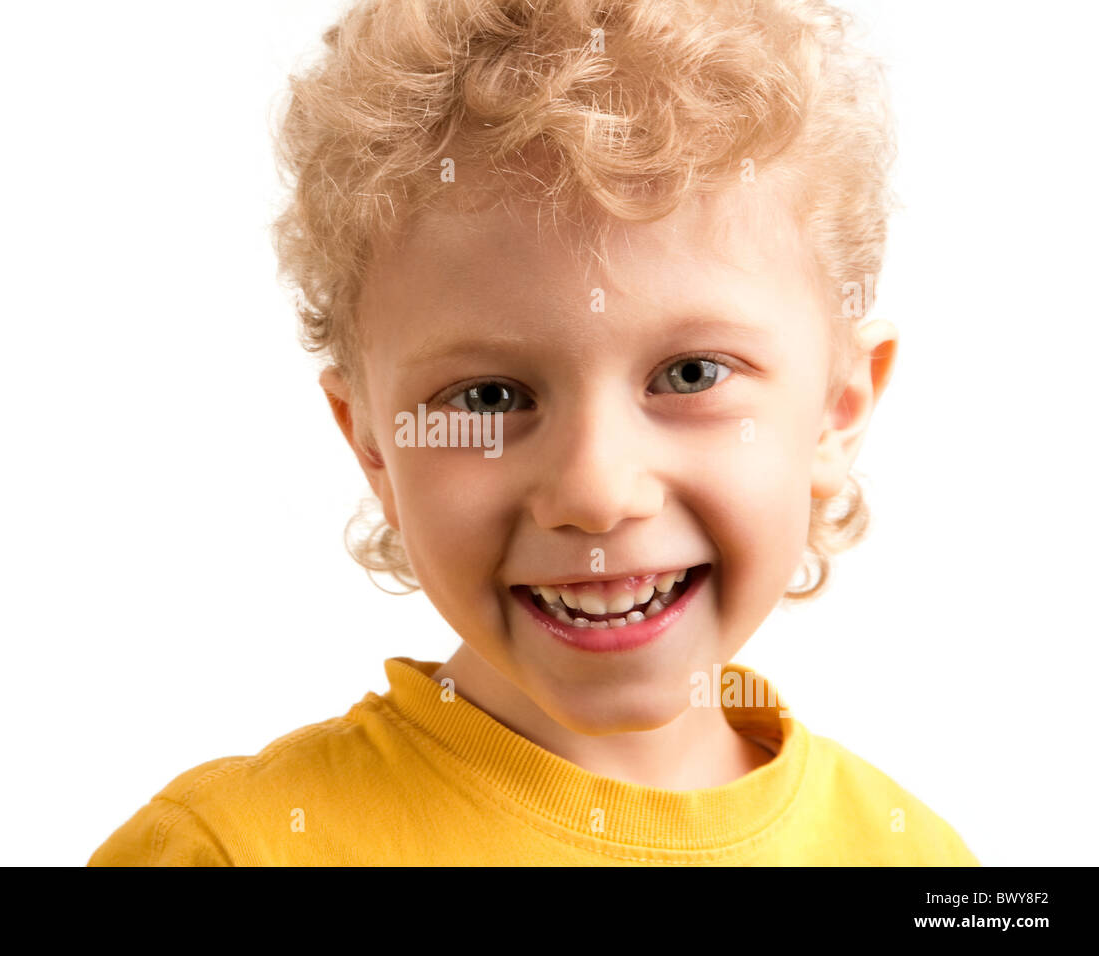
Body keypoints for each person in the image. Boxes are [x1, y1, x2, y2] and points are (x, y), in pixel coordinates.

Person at [89, 0, 978, 866]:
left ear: (837, 409)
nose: (595, 491)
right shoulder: (230, 853)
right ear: (373, 447)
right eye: (486, 396)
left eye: (692, 374)